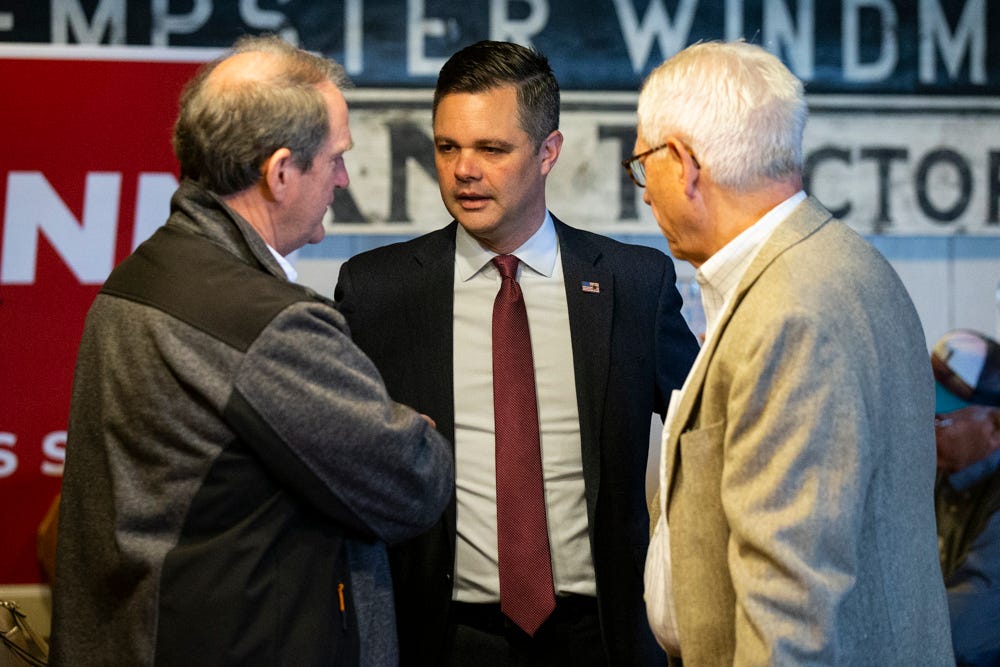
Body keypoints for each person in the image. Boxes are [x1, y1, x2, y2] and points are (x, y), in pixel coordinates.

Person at [50, 35, 453, 666]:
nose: (344, 180)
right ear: (282, 172)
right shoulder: (268, 326)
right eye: (336, 159)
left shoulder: (137, 281)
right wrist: (410, 429)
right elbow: (412, 480)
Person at [335, 40, 699, 665]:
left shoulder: (633, 284)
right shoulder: (376, 291)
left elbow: (714, 427)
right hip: (442, 640)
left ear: (548, 152)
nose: (463, 170)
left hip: (602, 638)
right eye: (447, 147)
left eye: (492, 149)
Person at [633, 41, 954, 665]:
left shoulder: (790, 312)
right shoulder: (843, 262)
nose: (647, 194)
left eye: (645, 166)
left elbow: (789, 602)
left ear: (683, 163)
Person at [933, 329, 1000, 666]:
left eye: (939, 419)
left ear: (994, 428)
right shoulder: (944, 476)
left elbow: (961, 631)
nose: (924, 431)